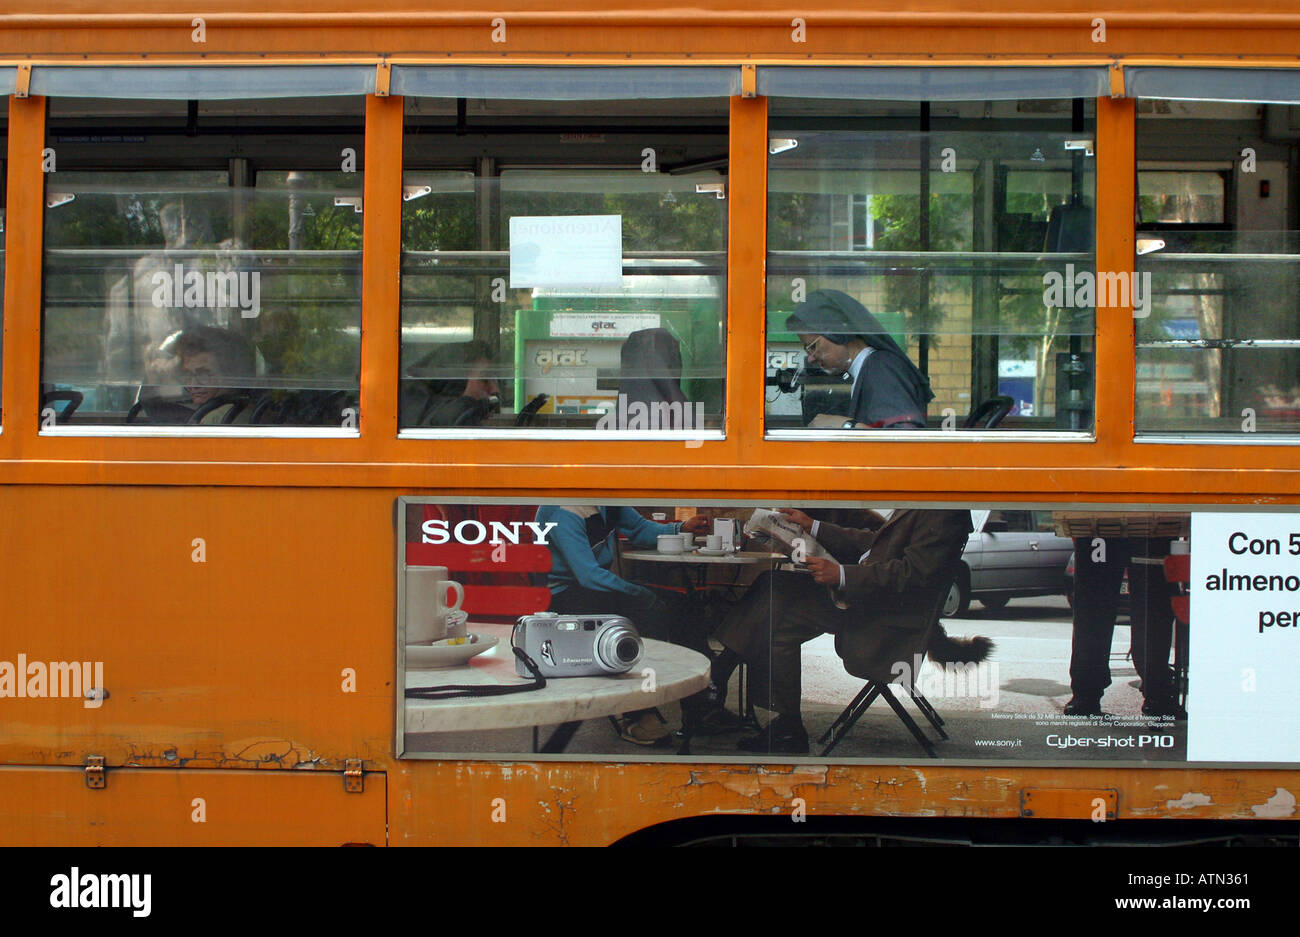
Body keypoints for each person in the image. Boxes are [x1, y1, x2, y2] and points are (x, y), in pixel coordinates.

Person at [703, 507, 989, 754]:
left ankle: (721, 677)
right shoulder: (930, 502)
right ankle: (778, 720)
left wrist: (841, 575)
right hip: (871, 599)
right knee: (772, 592)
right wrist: (811, 525)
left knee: (774, 606)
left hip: (883, 617)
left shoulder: (944, 511)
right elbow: (877, 544)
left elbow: (914, 575)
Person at [535, 505, 729, 744]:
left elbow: (639, 528)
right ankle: (637, 713)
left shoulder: (607, 501)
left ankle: (699, 706)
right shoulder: (564, 510)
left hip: (591, 587)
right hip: (562, 596)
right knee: (647, 608)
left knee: (684, 603)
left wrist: (681, 528)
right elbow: (588, 574)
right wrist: (639, 594)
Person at [1064, 537, 1181, 718]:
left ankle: (1086, 695)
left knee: (1094, 611)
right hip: (1147, 526)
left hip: (1101, 526)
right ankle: (1158, 695)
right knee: (1152, 609)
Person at [786, 289, 933, 429]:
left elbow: (904, 440)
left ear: (836, 332)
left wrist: (844, 425)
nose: (811, 358)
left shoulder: (881, 368)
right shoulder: (866, 368)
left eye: (813, 346)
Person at [401, 341, 501, 427]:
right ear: (459, 383)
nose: (495, 389)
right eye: (484, 379)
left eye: (496, 379)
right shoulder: (460, 419)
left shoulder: (425, 415)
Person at [171, 326, 257, 424]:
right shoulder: (246, 408)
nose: (193, 384)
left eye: (203, 375)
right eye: (187, 375)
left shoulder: (216, 419)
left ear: (229, 374)